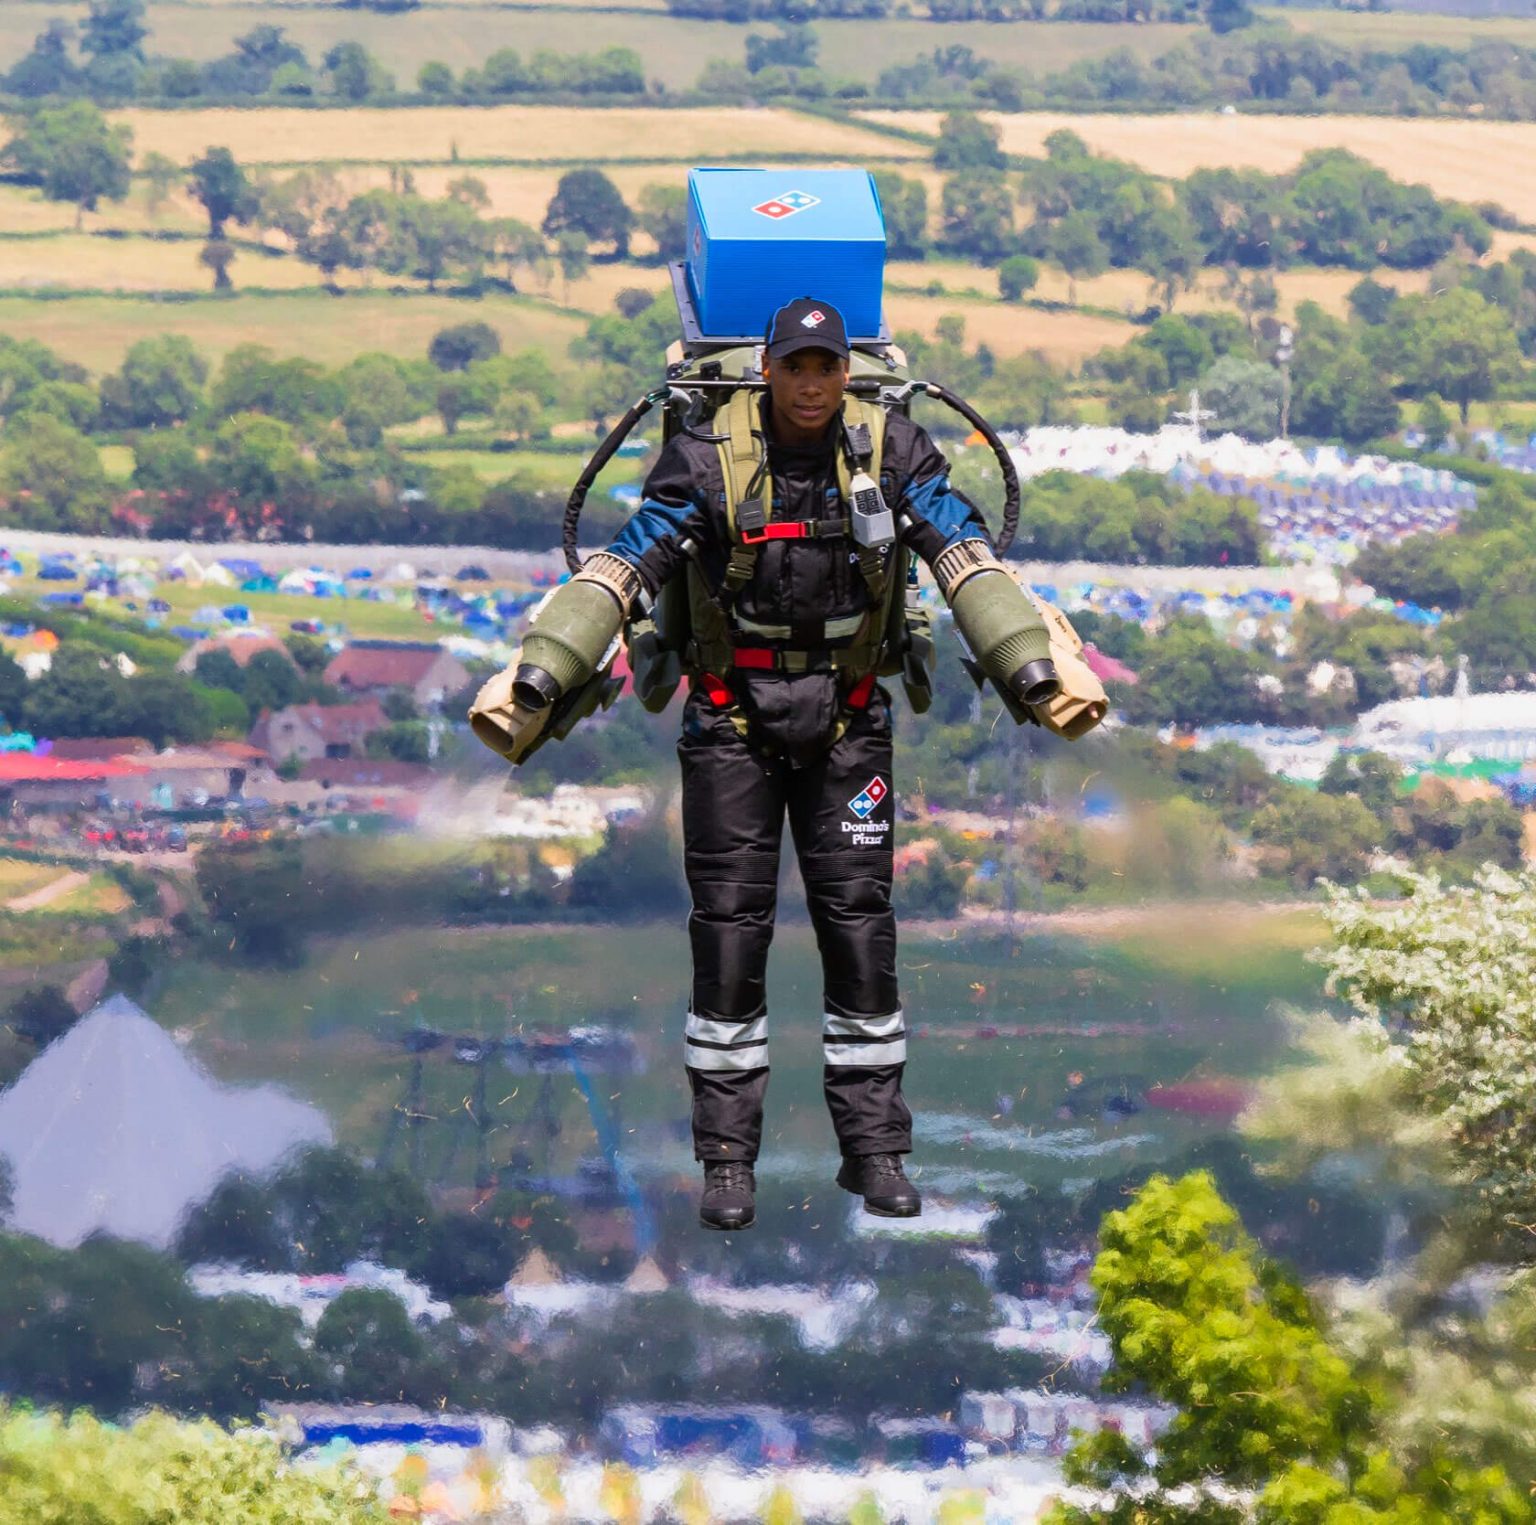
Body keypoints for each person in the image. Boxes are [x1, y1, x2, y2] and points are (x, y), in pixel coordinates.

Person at [473, 296, 1058, 1231]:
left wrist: (1023, 652)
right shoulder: (708, 458)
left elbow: (955, 537)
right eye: (798, 368)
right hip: (730, 722)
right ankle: (727, 1162)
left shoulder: (890, 449)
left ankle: (875, 1153)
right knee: (731, 936)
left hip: (849, 719)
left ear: (846, 372)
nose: (815, 385)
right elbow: (636, 557)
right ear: (770, 371)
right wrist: (552, 665)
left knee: (860, 931)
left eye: (830, 367)